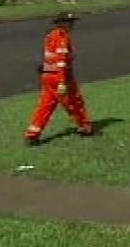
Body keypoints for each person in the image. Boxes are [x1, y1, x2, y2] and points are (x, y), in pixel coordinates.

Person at [23, 12, 94, 146]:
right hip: (59, 76)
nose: (72, 25)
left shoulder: (50, 35)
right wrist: (62, 82)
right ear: (61, 23)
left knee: (45, 105)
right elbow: (61, 61)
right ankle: (85, 128)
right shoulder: (62, 37)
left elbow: (48, 56)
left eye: (72, 22)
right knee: (75, 102)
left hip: (47, 75)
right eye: (69, 22)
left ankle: (32, 134)